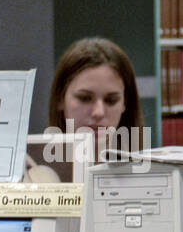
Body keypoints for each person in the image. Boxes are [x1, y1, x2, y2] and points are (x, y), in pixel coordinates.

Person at [44, 37, 145, 169]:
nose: (99, 112)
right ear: (60, 98)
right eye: (85, 98)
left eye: (111, 100)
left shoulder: (149, 174)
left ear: (124, 103)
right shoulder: (34, 175)